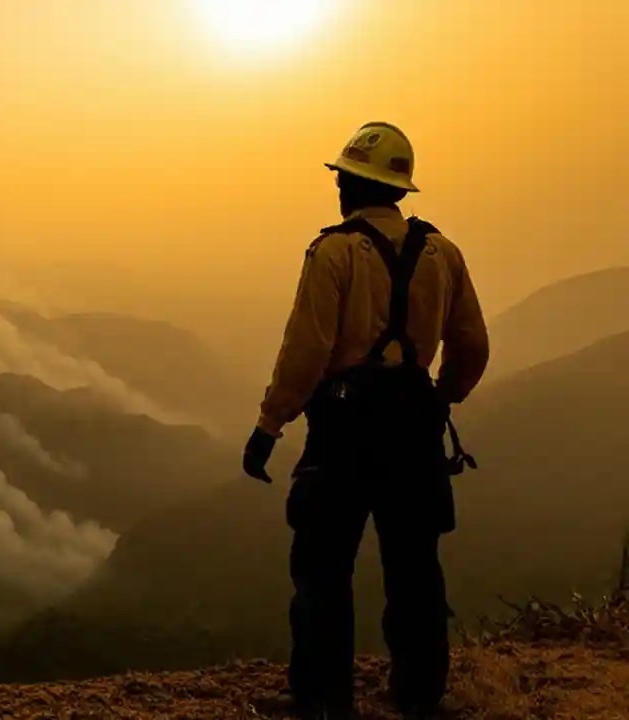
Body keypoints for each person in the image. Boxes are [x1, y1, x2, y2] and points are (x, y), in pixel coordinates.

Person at [242, 121, 490, 719]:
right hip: (414, 426)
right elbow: (472, 344)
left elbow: (306, 352)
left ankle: (322, 698)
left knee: (324, 565)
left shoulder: (332, 252)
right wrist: (442, 398)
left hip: (346, 428)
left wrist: (269, 425)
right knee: (414, 566)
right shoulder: (442, 253)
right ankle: (419, 695)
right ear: (401, 190)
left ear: (350, 184)